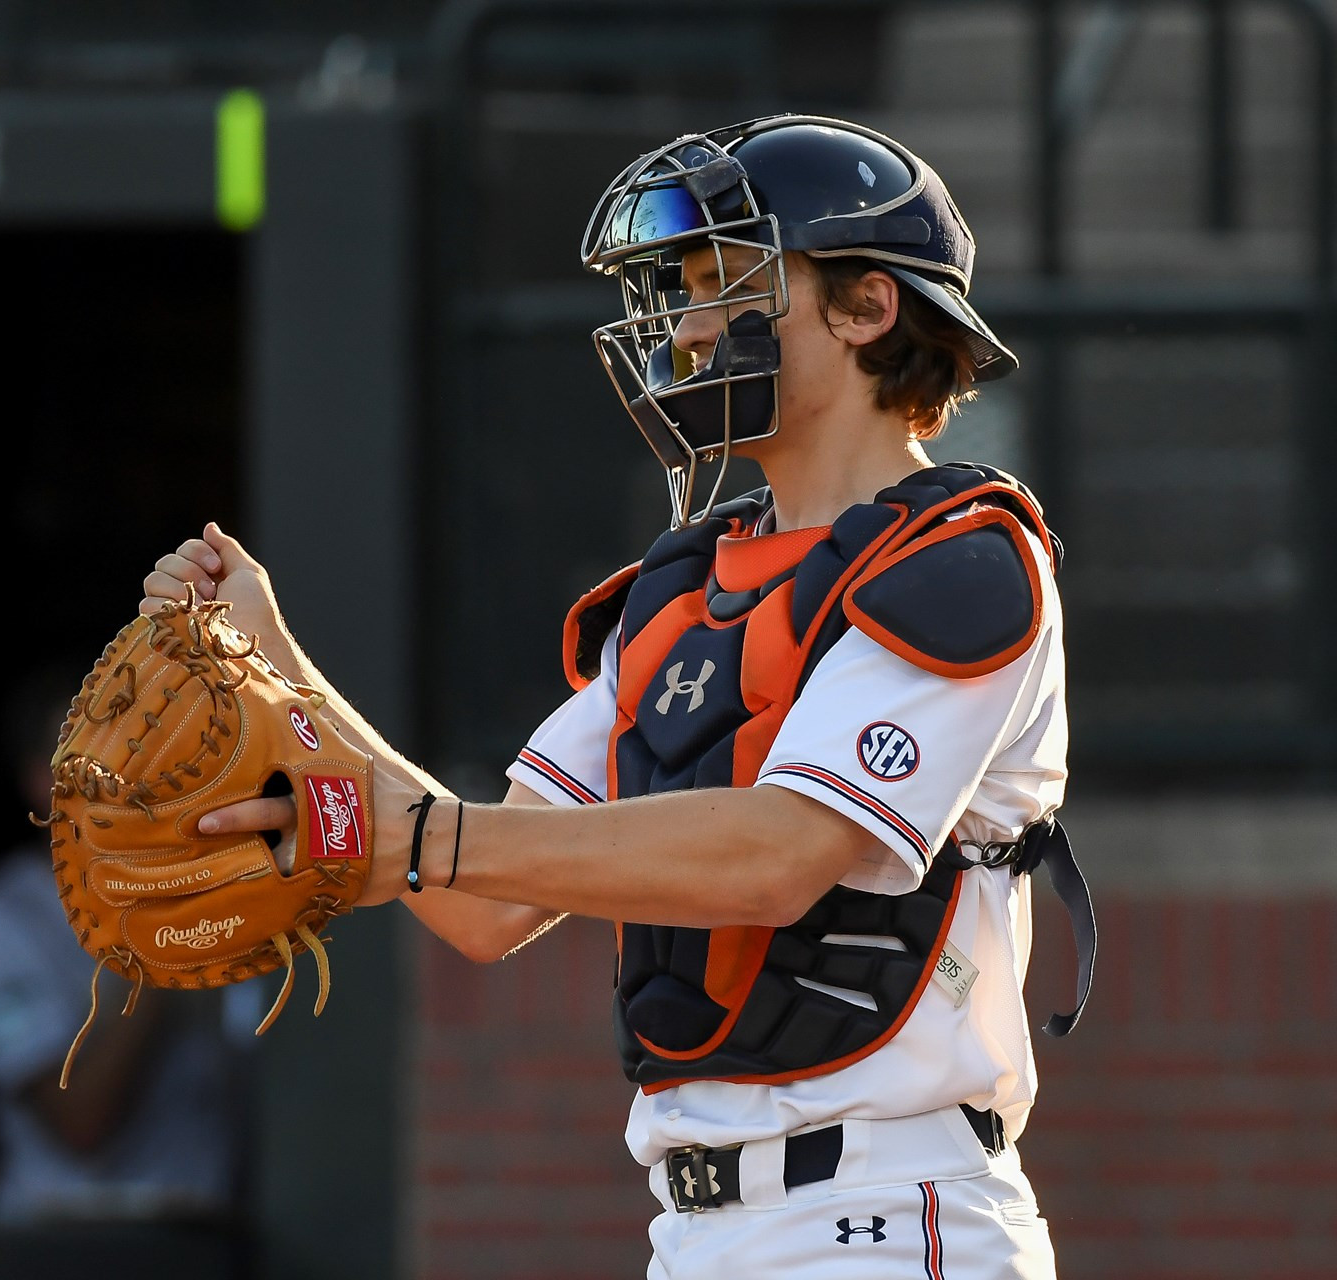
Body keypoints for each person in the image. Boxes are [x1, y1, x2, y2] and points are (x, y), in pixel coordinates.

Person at [143, 115, 1089, 1278]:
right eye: (682, 291)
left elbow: (778, 855)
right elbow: (484, 904)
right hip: (695, 1229)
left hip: (889, 1212)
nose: (688, 327)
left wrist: (422, 835)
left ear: (866, 307)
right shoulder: (684, 587)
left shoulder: (965, 558)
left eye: (726, 281)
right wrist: (272, 664)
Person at [0, 673, 243, 1221]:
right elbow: (80, 1122)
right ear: (45, 783)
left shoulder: (225, 879)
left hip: (210, 1230)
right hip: (67, 1239)